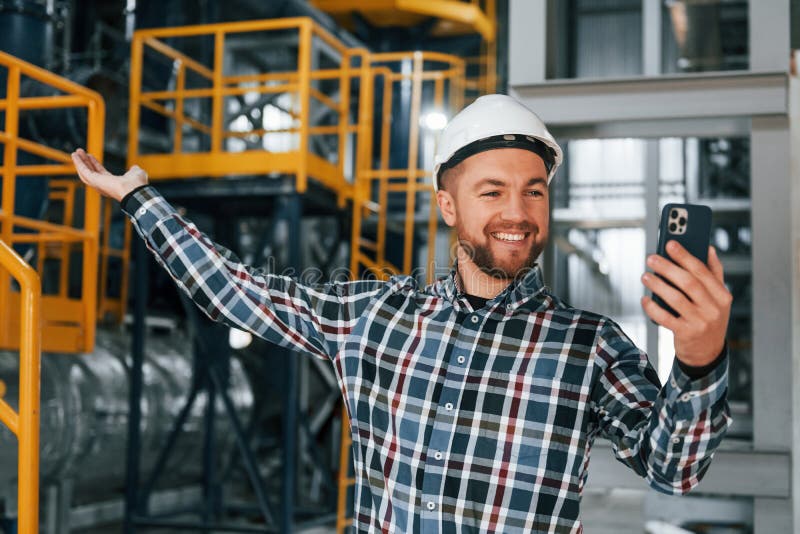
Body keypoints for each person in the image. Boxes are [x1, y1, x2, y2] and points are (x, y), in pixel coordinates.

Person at [71, 93, 732, 533]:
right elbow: (236, 291)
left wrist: (699, 359)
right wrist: (140, 201)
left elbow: (673, 467)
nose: (517, 213)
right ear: (448, 206)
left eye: (533, 191)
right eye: (492, 190)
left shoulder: (590, 348)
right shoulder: (375, 315)